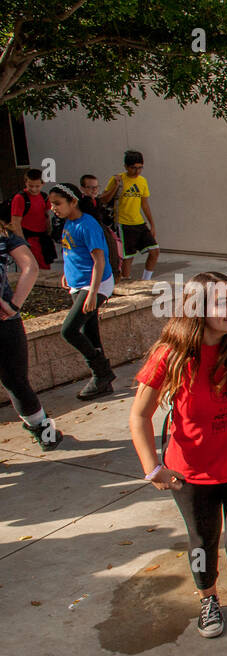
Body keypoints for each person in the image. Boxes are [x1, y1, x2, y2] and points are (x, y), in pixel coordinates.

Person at [129, 272, 227, 656]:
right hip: (190, 474)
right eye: (221, 303)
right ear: (197, 309)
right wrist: (152, 468)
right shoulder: (172, 353)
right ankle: (208, 598)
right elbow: (139, 415)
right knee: (202, 543)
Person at [47, 183, 117, 400]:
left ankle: (102, 372)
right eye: (51, 204)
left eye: (57, 203)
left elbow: (99, 260)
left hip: (95, 285)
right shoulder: (69, 222)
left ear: (73, 202)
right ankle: (102, 381)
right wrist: (67, 274)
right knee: (90, 331)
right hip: (79, 284)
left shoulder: (88, 225)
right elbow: (71, 252)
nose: (53, 208)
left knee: (68, 331)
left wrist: (93, 293)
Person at [0, 221, 64, 449]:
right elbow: (31, 267)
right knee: (16, 382)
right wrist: (13, 305)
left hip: (6, 319)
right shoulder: (5, 234)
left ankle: (44, 431)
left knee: (16, 382)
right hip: (6, 319)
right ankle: (44, 432)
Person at [100, 150, 159, 281]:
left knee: (154, 251)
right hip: (123, 223)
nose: (137, 171)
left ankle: (146, 280)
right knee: (128, 256)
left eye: (140, 168)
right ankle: (125, 281)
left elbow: (144, 204)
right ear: (126, 167)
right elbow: (104, 199)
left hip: (139, 222)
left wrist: (152, 224)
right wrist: (115, 185)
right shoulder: (118, 179)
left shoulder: (143, 181)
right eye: (133, 168)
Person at [9, 170, 55, 270]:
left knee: (45, 265)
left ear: (43, 183)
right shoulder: (20, 198)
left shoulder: (44, 196)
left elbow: (46, 215)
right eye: (30, 186)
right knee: (35, 268)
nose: (34, 189)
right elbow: (15, 223)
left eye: (37, 186)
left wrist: (49, 232)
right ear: (25, 183)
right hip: (29, 238)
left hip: (42, 238)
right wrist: (23, 244)